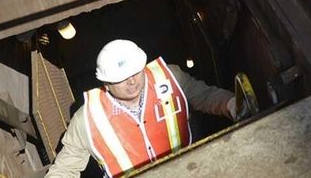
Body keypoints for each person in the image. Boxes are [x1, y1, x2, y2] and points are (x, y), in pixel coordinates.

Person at [46, 40, 242, 177]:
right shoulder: (87, 118)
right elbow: (65, 169)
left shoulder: (169, 77)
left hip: (191, 171)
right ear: (106, 83)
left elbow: (204, 96)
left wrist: (231, 104)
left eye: (135, 72)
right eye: (122, 78)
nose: (132, 81)